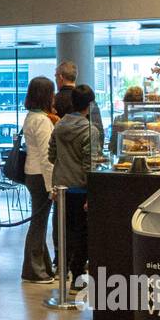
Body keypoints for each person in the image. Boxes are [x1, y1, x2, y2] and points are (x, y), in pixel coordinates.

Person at [48, 84, 101, 293]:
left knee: (65, 232)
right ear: (89, 105)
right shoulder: (90, 130)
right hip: (81, 188)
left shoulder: (59, 125)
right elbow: (91, 164)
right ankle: (77, 277)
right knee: (83, 234)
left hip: (61, 187)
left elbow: (51, 155)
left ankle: (64, 271)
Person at [19, 76, 58, 284]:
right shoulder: (42, 121)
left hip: (32, 173)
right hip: (40, 175)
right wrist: (51, 185)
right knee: (39, 223)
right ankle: (34, 270)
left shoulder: (32, 116)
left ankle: (43, 267)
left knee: (39, 222)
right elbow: (47, 156)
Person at [55, 61, 104, 146]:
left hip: (63, 152)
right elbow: (98, 128)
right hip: (88, 151)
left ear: (60, 77)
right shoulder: (88, 98)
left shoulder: (55, 100)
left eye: (55, 76)